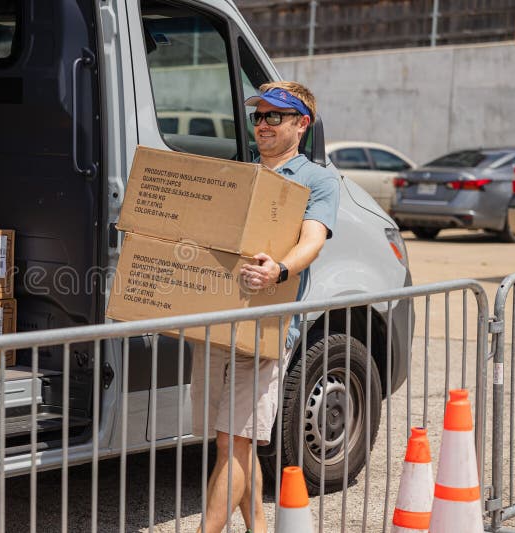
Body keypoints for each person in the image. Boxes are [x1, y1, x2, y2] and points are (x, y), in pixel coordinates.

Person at [190, 81, 339, 533]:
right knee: (235, 444)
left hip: (266, 328)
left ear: (301, 125)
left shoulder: (317, 179)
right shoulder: (243, 175)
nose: (263, 125)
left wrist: (279, 270)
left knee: (232, 442)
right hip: (218, 319)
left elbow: (311, 241)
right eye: (258, 117)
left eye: (275, 116)